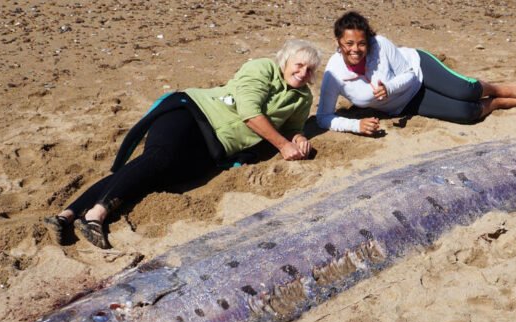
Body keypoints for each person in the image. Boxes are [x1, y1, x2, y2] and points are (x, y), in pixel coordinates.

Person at [44, 40, 323, 249]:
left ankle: (66, 216)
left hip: (215, 146)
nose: (302, 72)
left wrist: (298, 139)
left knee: (154, 174)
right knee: (158, 157)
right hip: (193, 112)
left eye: (309, 69)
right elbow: (250, 112)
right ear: (285, 61)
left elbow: (294, 128)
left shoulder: (303, 98)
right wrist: (283, 145)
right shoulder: (262, 68)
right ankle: (95, 215)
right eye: (298, 64)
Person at [317, 11, 516, 135]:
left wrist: (389, 88)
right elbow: (323, 117)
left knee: (465, 90)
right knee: (466, 113)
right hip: (405, 104)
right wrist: (356, 125)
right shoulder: (333, 73)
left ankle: (497, 88)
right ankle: (496, 103)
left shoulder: (380, 45)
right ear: (337, 41)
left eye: (361, 43)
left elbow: (409, 74)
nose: (356, 49)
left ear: (368, 41)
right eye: (349, 43)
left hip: (419, 69)